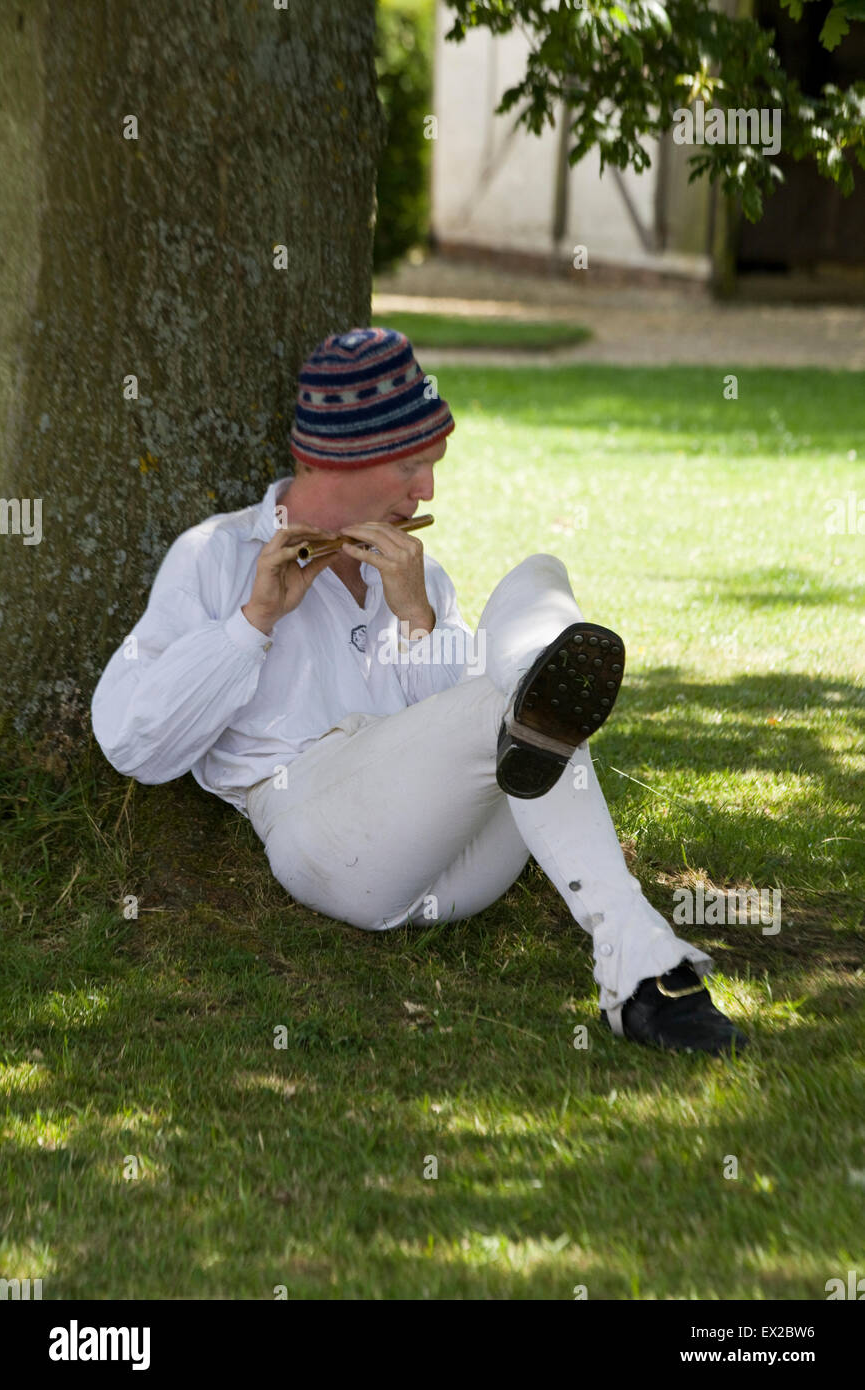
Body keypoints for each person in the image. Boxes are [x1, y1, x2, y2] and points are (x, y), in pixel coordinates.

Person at [91, 327, 747, 1055]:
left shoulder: (419, 575)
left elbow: (448, 737)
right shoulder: (216, 555)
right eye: (409, 465)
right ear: (332, 461)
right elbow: (132, 743)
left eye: (431, 466)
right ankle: (650, 979)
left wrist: (418, 618)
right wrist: (254, 624)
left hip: (461, 858)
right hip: (324, 836)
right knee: (521, 708)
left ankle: (547, 707)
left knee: (538, 583)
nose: (427, 490)